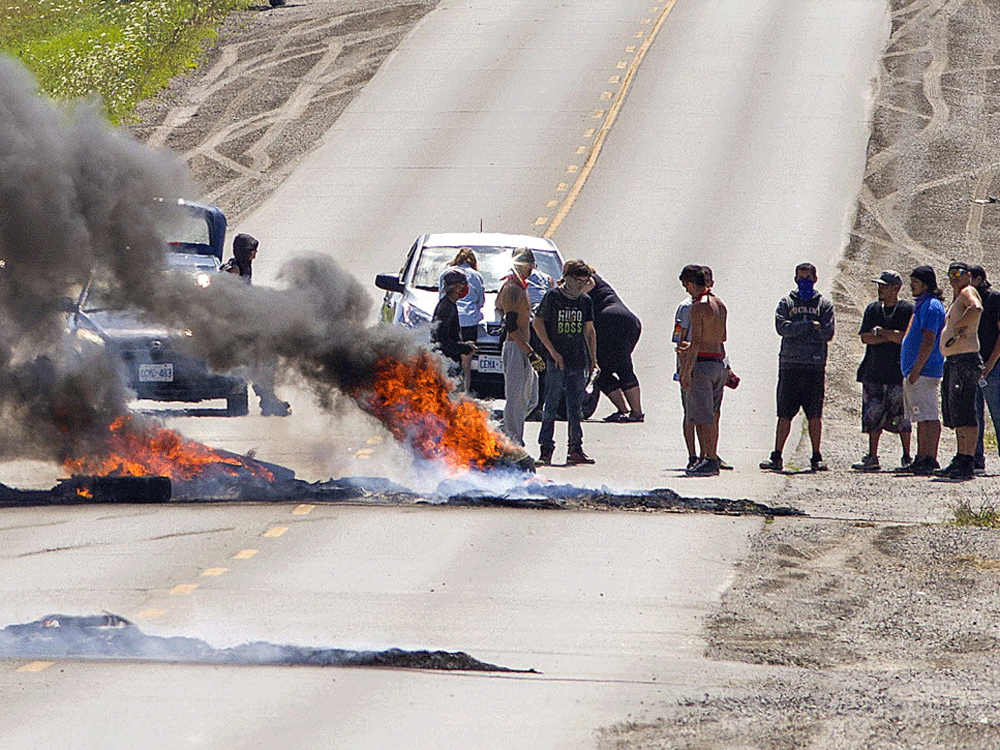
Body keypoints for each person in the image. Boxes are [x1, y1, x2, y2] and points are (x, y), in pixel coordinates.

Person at [759, 262, 835, 472]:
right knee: (784, 414)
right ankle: (777, 456)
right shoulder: (786, 302)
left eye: (808, 279)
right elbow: (782, 328)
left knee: (814, 415)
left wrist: (802, 328)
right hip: (790, 364)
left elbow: (827, 333)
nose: (804, 283)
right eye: (800, 279)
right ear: (795, 279)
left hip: (814, 365)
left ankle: (816, 456)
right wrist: (809, 326)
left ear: (815, 279)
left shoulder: (824, 305)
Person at [533, 259, 598, 466]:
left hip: (578, 359)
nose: (581, 285)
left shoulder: (584, 301)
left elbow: (589, 330)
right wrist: (552, 352)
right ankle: (546, 448)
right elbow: (538, 323)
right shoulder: (553, 297)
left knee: (575, 407)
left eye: (584, 281)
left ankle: (575, 448)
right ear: (568, 278)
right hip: (556, 361)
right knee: (550, 405)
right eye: (578, 281)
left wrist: (593, 359)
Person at [221, 233, 290, 416]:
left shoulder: (244, 267)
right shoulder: (233, 270)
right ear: (244, 252)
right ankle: (267, 401)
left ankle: (268, 400)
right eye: (252, 251)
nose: (255, 255)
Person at [673, 266, 735, 471]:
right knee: (714, 414)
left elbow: (697, 341)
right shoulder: (720, 304)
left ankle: (707, 459)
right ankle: (711, 456)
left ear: (692, 284)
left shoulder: (698, 307)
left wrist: (685, 371)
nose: (686, 291)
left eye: (686, 286)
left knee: (701, 417)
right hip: (718, 363)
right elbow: (721, 338)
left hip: (702, 364)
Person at [851, 270, 914, 472]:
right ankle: (872, 456)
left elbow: (905, 337)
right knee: (873, 415)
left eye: (885, 286)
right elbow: (865, 337)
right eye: (879, 285)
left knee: (902, 417)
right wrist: (889, 337)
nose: (881, 289)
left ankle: (907, 456)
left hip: (897, 372)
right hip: (873, 370)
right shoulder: (872, 309)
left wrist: (883, 333)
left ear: (896, 288)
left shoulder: (906, 310)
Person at [935, 262, 983, 480]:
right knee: (956, 411)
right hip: (954, 360)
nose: (955, 277)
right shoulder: (957, 296)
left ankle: (968, 460)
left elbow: (976, 308)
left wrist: (956, 327)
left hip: (965, 360)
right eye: (951, 274)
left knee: (965, 410)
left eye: (959, 273)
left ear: (968, 275)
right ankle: (961, 455)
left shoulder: (967, 291)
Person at [897, 265, 946, 475]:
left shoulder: (931, 306)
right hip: (916, 371)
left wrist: (917, 368)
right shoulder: (922, 305)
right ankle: (921, 455)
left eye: (915, 282)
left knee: (929, 415)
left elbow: (928, 339)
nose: (912, 286)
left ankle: (930, 457)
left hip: (925, 371)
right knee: (920, 416)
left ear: (926, 284)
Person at [495, 249, 544, 447]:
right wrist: (529, 353)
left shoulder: (521, 286)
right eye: (527, 265)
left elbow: (497, 304)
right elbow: (511, 326)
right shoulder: (512, 289)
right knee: (515, 398)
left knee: (531, 398)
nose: (531, 269)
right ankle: (513, 441)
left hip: (524, 346)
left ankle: (503, 429)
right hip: (516, 347)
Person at [581, 271, 643, 423]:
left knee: (613, 369)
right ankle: (630, 411)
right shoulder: (598, 283)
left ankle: (632, 412)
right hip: (629, 322)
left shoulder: (589, 279)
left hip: (611, 322)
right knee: (609, 369)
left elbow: (586, 285)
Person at [438, 248, 485, 391]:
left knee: (456, 362)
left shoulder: (446, 275)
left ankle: (459, 394)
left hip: (460, 322)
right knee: (466, 365)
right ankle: (463, 391)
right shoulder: (476, 276)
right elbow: (480, 301)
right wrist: (464, 346)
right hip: (470, 320)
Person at [970, 265, 1000, 473]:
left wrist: (990, 363)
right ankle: (976, 459)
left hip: (994, 365)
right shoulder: (966, 299)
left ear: (980, 279)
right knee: (973, 415)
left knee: (997, 414)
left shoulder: (994, 299)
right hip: (971, 366)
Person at [432, 269, 477, 375]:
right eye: (463, 284)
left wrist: (464, 344)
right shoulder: (446, 308)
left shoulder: (450, 304)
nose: (466, 286)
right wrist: (465, 348)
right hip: (445, 364)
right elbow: (443, 341)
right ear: (456, 287)